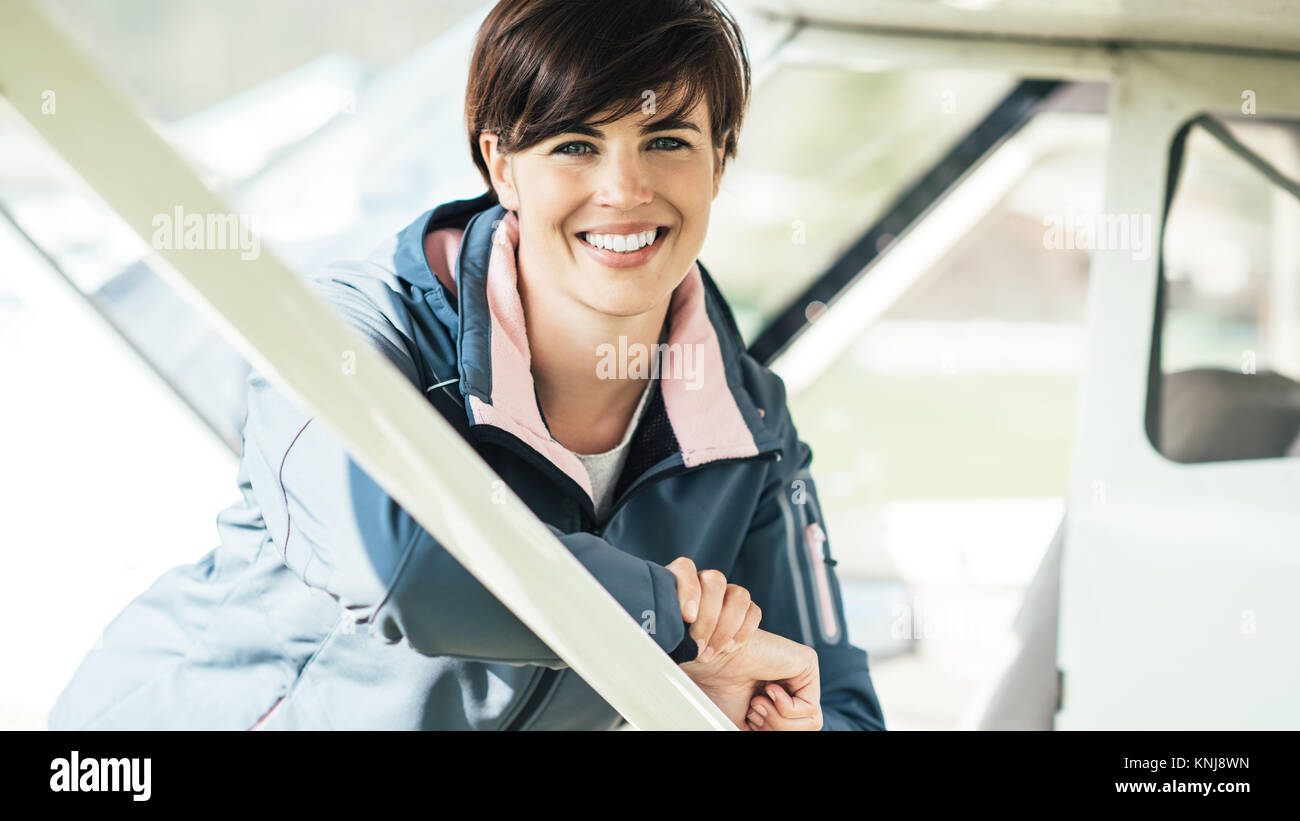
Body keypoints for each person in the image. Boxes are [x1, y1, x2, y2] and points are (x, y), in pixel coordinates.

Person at [48, 0, 885, 731]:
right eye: (574, 144)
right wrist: (672, 621)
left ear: (721, 155)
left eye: (666, 139)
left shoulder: (751, 426)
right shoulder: (354, 328)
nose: (625, 189)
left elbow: (834, 694)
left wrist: (784, 724)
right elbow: (407, 567)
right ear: (500, 164)